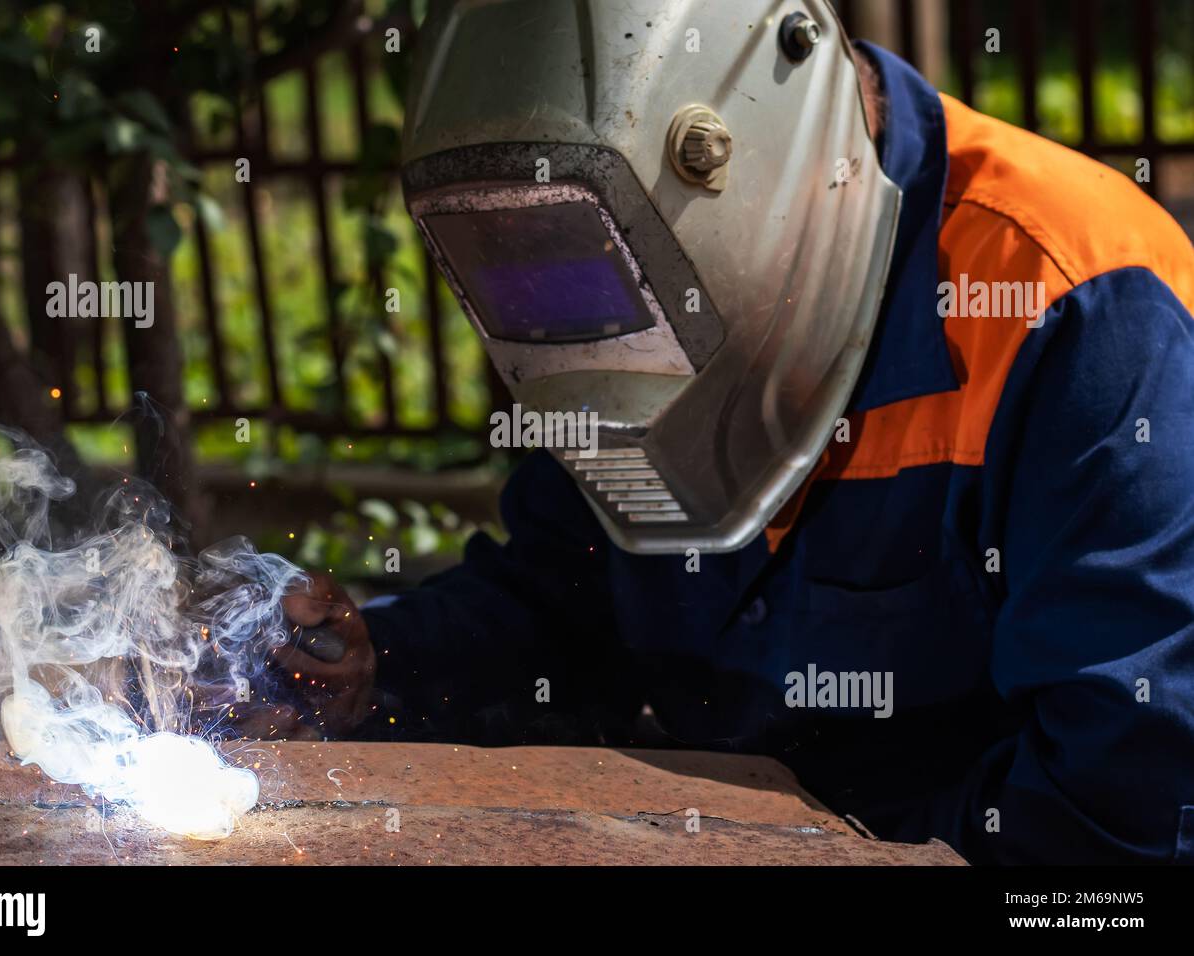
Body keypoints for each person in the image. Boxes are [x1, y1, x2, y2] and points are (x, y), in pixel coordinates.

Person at [260, 2, 1194, 864]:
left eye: (603, 260)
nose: (594, 331)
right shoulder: (589, 306)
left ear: (749, 156)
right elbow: (567, 606)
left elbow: (1128, 790)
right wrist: (385, 662)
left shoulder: (1072, 302)